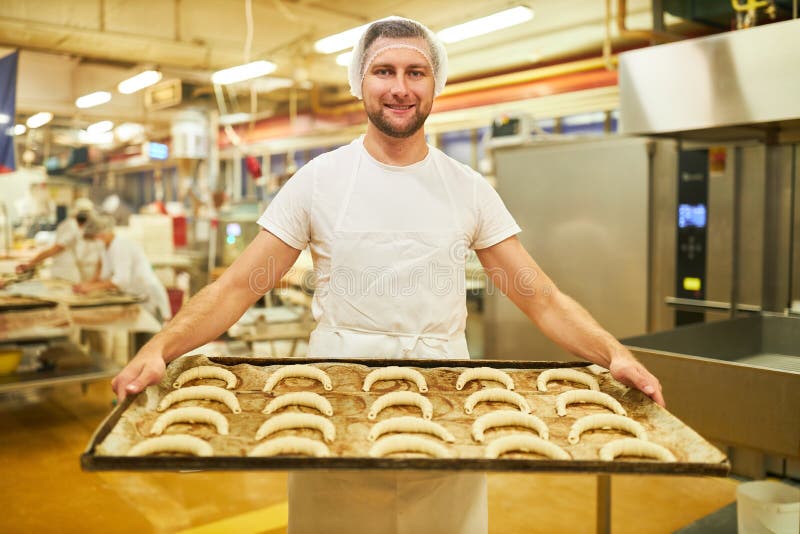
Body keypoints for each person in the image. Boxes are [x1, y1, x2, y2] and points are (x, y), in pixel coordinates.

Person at [111, 17, 664, 534]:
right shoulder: (319, 181)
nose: (400, 88)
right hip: (335, 402)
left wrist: (611, 352)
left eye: (415, 73)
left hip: (445, 402)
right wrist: (162, 346)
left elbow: (538, 296)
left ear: (434, 85)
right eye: (384, 71)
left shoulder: (466, 187)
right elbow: (238, 286)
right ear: (359, 82)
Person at [74, 214, 172, 322]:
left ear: (103, 233)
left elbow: (121, 280)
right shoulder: (106, 248)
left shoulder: (121, 246)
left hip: (148, 296)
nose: (95, 241)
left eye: (95, 237)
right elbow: (103, 275)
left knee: (156, 333)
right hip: (134, 296)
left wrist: (90, 288)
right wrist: (88, 285)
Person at [16, 197, 102, 283]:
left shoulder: (74, 227)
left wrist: (31, 263)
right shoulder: (75, 227)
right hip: (67, 272)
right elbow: (58, 248)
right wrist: (32, 262)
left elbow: (56, 249)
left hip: (66, 273)